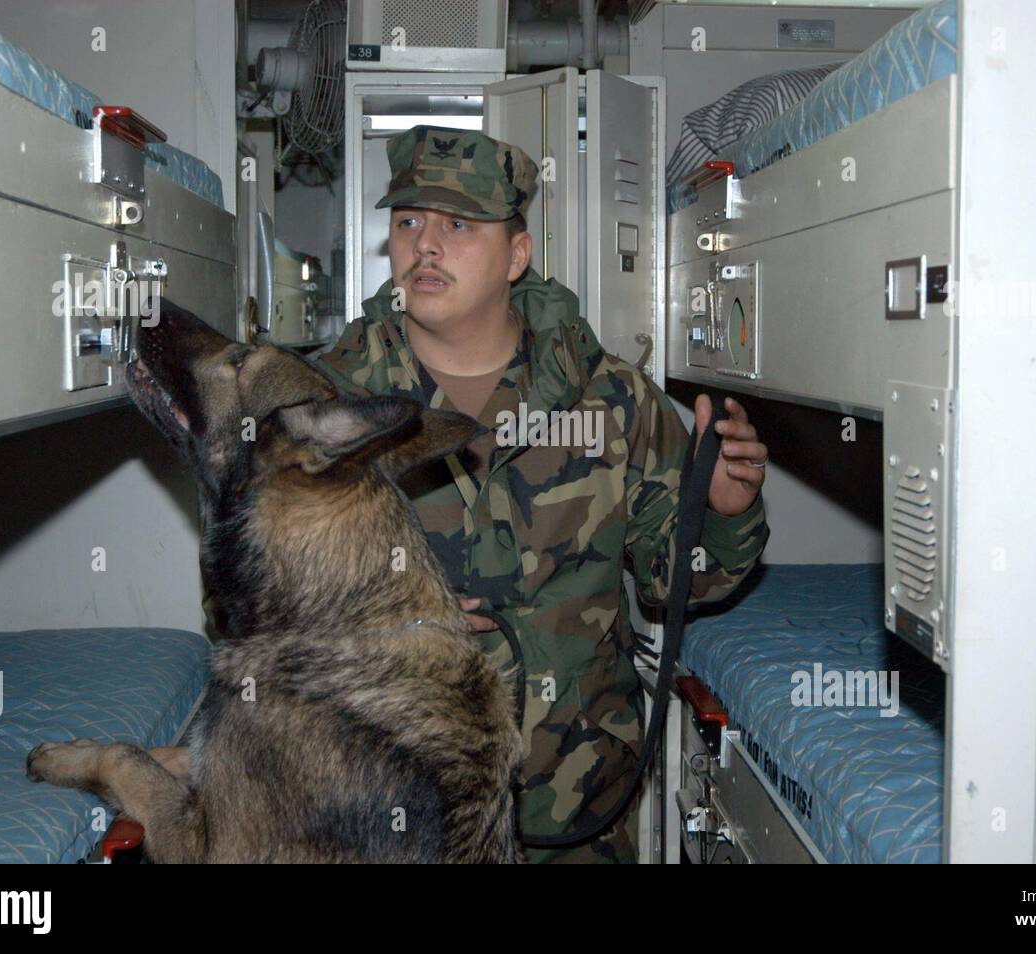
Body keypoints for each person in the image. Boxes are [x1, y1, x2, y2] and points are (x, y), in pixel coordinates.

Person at [317, 125, 770, 862]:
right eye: (407, 222)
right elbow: (249, 602)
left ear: (517, 255)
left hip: (576, 805)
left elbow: (675, 583)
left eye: (457, 225)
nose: (424, 245)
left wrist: (720, 513)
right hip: (390, 811)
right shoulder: (328, 407)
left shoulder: (611, 398)